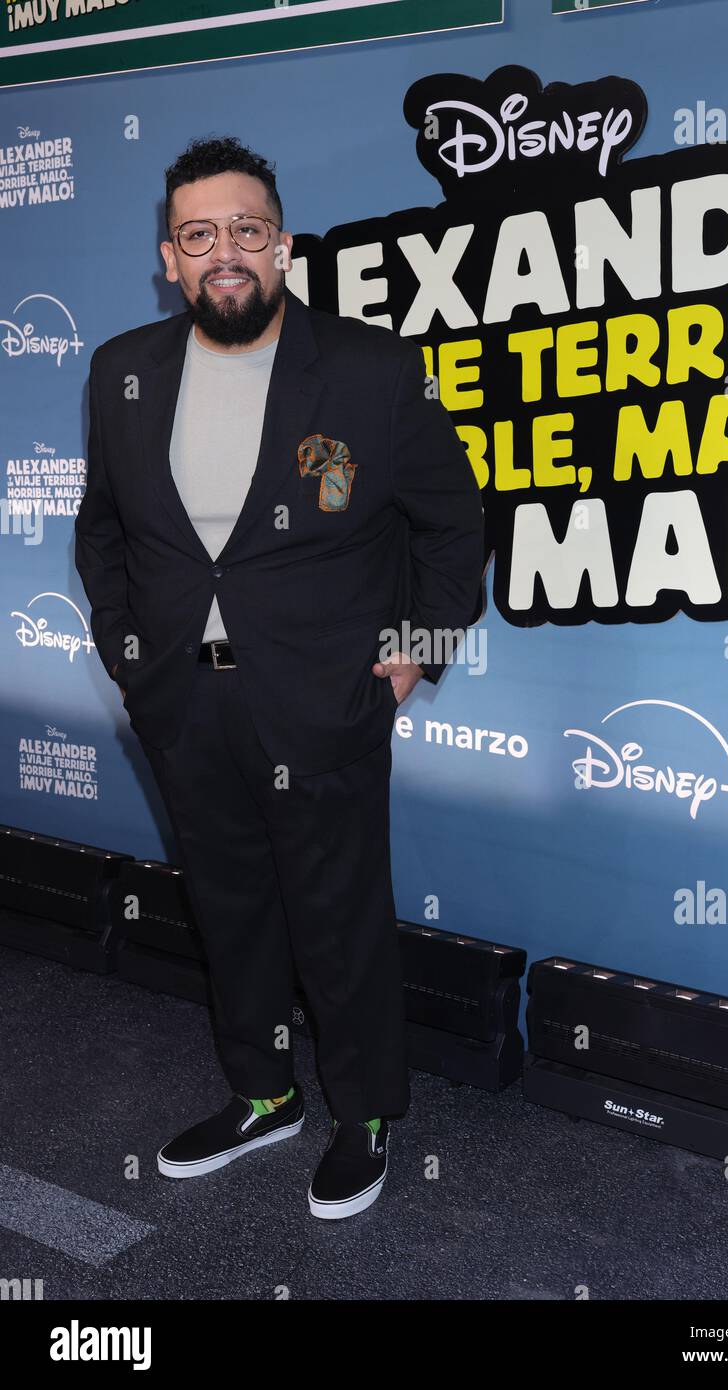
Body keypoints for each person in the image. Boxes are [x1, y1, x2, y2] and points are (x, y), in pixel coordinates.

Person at [74, 135, 485, 1220]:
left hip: (325, 700)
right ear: (170, 258)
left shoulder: (369, 369)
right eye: (200, 235)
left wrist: (409, 665)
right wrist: (132, 659)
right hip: (181, 699)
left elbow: (455, 530)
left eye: (246, 231)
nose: (225, 253)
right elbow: (102, 531)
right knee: (230, 907)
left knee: (336, 914)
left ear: (283, 246)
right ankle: (263, 1093)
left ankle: (365, 1114)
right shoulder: (120, 369)